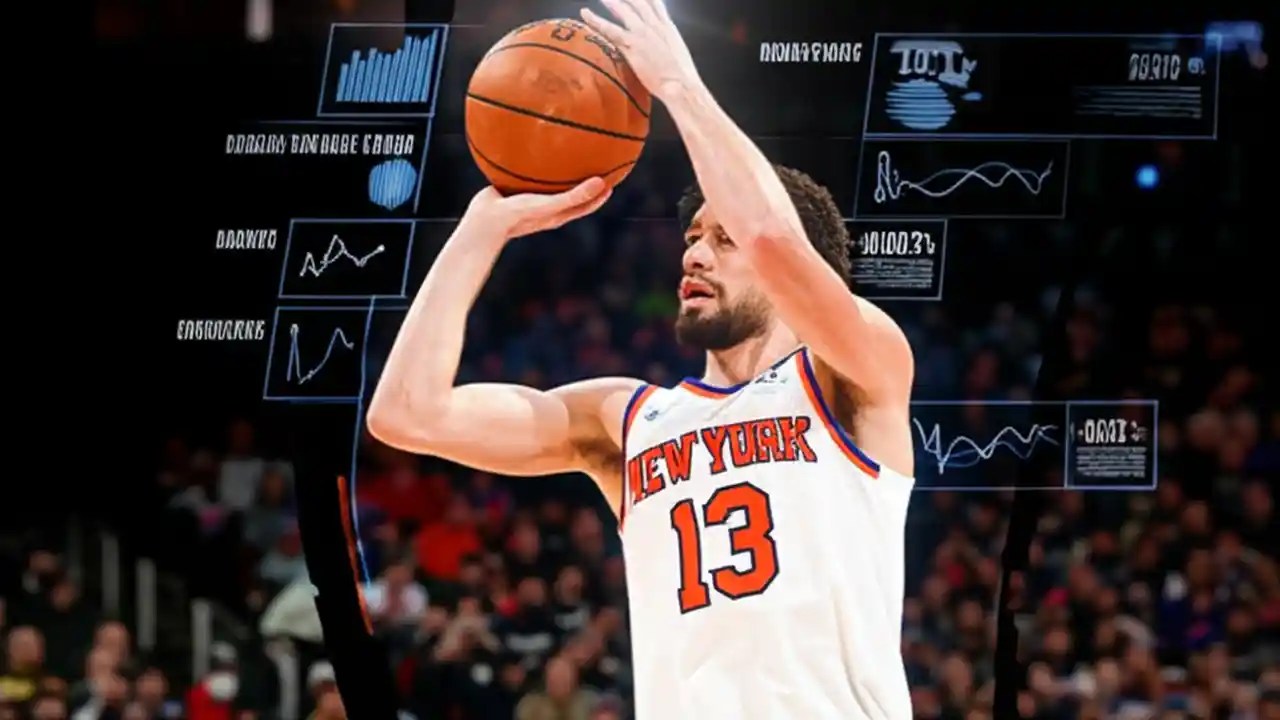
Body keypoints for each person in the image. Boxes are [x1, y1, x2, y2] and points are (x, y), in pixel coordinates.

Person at [367, 0, 915, 716]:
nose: (694, 249)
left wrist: (681, 88)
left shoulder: (856, 373)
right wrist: (481, 228)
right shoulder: (628, 419)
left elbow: (773, 241)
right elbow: (406, 414)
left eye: (722, 238)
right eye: (692, 235)